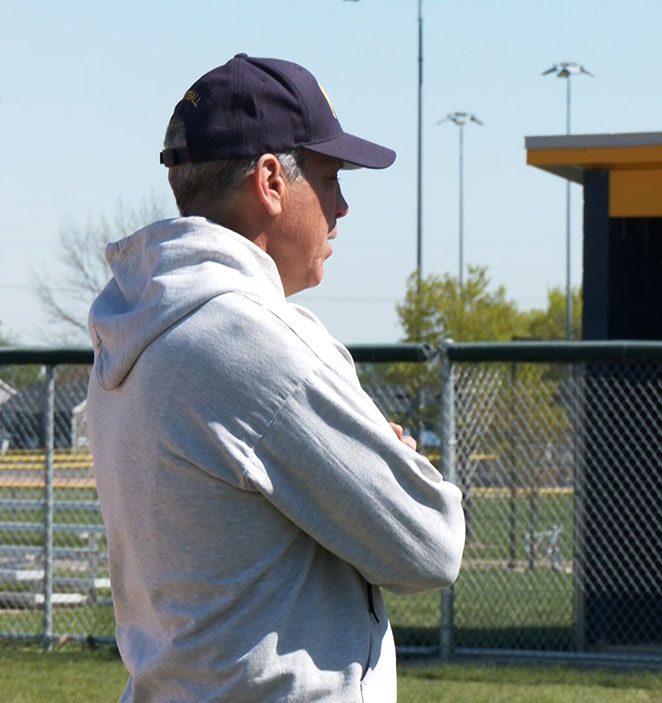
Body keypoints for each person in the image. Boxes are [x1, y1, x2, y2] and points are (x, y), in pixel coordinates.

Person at [86, 54, 465, 702]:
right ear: (270, 180)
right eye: (329, 176)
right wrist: (390, 458)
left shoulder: (137, 325)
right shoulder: (251, 342)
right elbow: (430, 543)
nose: (342, 205)